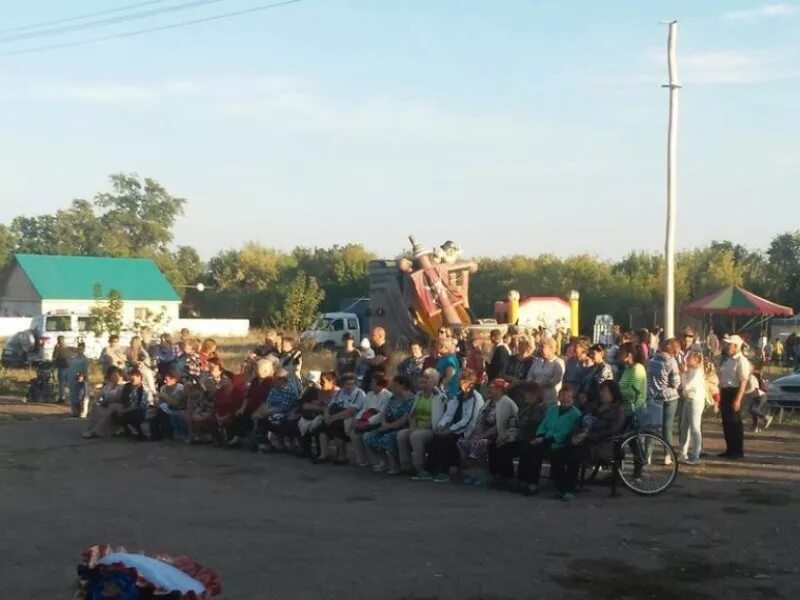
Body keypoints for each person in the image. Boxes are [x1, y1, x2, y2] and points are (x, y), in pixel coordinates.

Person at [519, 383, 582, 499]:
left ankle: (562, 489)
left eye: (568, 396)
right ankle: (531, 483)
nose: (564, 399)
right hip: (546, 439)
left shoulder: (575, 414)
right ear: (558, 397)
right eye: (562, 396)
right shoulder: (552, 410)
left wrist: (545, 439)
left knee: (555, 455)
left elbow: (565, 432)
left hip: (561, 443)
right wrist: (540, 436)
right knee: (530, 449)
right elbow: (543, 425)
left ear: (573, 399)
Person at [424, 368, 484, 483]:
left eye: (465, 380)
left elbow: (468, 421)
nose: (462, 383)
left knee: (447, 439)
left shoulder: (475, 398)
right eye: (461, 380)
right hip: (454, 428)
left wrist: (450, 430)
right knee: (436, 437)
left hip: (468, 432)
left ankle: (444, 471)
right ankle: (430, 470)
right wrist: (441, 426)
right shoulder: (458, 396)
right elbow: (448, 414)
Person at [458, 378, 518, 487]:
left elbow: (500, 425)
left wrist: (482, 436)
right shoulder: (488, 402)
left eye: (492, 388)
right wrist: (473, 434)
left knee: (477, 444)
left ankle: (486, 475)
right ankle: (475, 472)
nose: (489, 389)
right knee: (462, 443)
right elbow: (479, 421)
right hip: (482, 434)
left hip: (498, 436)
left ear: (500, 390)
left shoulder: (506, 403)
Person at [488, 381, 547, 489]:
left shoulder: (540, 408)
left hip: (531, 439)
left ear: (535, 395)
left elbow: (531, 424)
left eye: (527, 393)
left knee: (527, 449)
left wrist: (516, 424)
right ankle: (505, 476)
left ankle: (527, 481)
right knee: (496, 444)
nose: (525, 396)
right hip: (520, 437)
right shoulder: (527, 407)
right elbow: (515, 419)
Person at [402, 368, 448, 479]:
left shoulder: (440, 397)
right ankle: (406, 466)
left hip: (431, 429)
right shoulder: (419, 395)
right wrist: (412, 427)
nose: (423, 380)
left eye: (427, 378)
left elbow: (437, 420)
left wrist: (415, 430)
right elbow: (413, 414)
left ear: (435, 381)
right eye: (423, 377)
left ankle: (421, 469)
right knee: (401, 435)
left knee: (416, 436)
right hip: (417, 426)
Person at [363, 375, 416, 474]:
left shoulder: (411, 399)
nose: (392, 387)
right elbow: (384, 412)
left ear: (403, 385)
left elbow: (404, 419)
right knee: (368, 437)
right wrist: (384, 424)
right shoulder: (393, 397)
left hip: (403, 427)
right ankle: (385, 461)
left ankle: (395, 465)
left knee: (388, 438)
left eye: (395, 385)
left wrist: (389, 426)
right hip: (387, 425)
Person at [572, 380, 626, 469]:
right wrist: (577, 433)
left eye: (604, 391)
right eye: (601, 391)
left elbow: (613, 430)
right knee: (561, 449)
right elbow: (581, 419)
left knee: (572, 454)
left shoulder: (618, 409)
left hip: (602, 443)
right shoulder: (596, 405)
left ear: (613, 393)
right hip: (585, 438)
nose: (601, 393)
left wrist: (588, 435)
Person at [317, 373, 366, 464]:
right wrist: (327, 415)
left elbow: (351, 411)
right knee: (322, 427)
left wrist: (333, 418)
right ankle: (323, 455)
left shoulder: (360, 394)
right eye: (347, 384)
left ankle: (342, 456)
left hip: (350, 418)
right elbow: (329, 406)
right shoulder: (339, 392)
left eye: (352, 384)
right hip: (335, 416)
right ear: (343, 384)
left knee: (337, 426)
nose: (350, 386)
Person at [717, 335, 752, 459]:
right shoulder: (728, 360)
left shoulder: (741, 361)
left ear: (736, 346)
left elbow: (743, 381)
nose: (727, 347)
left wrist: (738, 399)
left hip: (734, 391)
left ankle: (737, 451)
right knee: (727, 422)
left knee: (735, 422)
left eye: (730, 345)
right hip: (725, 391)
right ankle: (730, 449)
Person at [646, 338, 681, 460]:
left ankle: (647, 455)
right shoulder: (671, 361)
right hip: (669, 397)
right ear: (674, 350)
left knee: (651, 427)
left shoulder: (651, 359)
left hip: (654, 396)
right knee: (667, 427)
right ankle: (667, 455)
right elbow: (675, 382)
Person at [350, 373, 392, 466]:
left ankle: (377, 460)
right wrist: (357, 419)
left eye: (373, 382)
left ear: (380, 384)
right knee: (354, 434)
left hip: (378, 422)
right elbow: (364, 409)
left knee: (366, 435)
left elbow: (382, 413)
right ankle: (362, 459)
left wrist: (368, 423)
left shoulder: (387, 396)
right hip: (365, 419)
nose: (371, 384)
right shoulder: (369, 394)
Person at [254, 369, 300, 452]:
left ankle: (277, 443)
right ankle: (264, 442)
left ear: (284, 380)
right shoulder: (273, 390)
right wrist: (259, 412)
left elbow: (284, 408)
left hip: (286, 413)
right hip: (273, 411)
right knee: (259, 416)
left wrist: (267, 412)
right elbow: (267, 403)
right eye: (275, 378)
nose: (275, 381)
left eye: (278, 379)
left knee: (272, 418)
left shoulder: (289, 391)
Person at [296, 371, 337, 459]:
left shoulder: (337, 392)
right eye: (320, 380)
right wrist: (320, 407)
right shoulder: (319, 391)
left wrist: (320, 407)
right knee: (301, 421)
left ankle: (320, 453)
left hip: (332, 417)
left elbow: (330, 409)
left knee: (318, 426)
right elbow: (306, 405)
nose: (321, 383)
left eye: (323, 381)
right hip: (318, 415)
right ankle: (306, 450)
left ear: (332, 381)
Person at [678, 351, 707, 465]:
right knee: (684, 426)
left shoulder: (697, 372)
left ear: (696, 360)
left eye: (690, 357)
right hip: (688, 399)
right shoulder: (690, 370)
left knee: (695, 427)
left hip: (696, 400)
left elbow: (686, 386)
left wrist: (682, 373)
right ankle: (683, 453)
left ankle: (695, 456)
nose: (687, 359)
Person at [82, 367, 126, 439]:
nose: (113, 378)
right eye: (112, 376)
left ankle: (96, 431)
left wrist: (105, 401)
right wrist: (98, 401)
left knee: (110, 410)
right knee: (96, 407)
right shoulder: (108, 386)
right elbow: (99, 395)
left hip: (117, 404)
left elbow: (118, 397)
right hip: (106, 403)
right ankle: (91, 428)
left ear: (121, 376)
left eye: (116, 376)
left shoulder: (123, 386)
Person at [148, 371, 187, 441]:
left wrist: (164, 396)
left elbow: (176, 403)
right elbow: (160, 402)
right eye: (165, 380)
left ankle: (168, 435)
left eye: (167, 380)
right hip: (166, 409)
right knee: (155, 415)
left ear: (174, 380)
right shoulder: (163, 388)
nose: (165, 381)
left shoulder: (180, 388)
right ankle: (156, 436)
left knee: (164, 415)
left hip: (178, 409)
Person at [527, 337, 565, 406]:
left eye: (542, 347)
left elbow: (556, 379)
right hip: (535, 396)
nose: (540, 349)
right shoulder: (537, 361)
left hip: (550, 398)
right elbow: (529, 375)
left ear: (551, 348)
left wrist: (542, 385)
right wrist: (533, 384)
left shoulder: (558, 362)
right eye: (539, 347)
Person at [578, 344, 614, 412]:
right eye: (590, 353)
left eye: (594, 353)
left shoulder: (605, 368)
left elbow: (603, 387)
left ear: (601, 354)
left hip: (595, 403)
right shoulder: (591, 368)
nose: (591, 356)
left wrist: (588, 396)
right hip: (586, 402)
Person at [118, 369, 151, 440]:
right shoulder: (128, 387)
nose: (132, 379)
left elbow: (138, 405)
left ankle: (141, 433)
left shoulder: (144, 389)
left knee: (134, 415)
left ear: (140, 377)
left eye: (134, 378)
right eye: (131, 377)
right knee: (116, 414)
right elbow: (123, 399)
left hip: (142, 410)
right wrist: (122, 409)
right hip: (130, 408)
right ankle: (128, 431)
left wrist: (124, 411)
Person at [617, 342, 647, 420]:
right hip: (625, 407)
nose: (618, 355)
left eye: (621, 353)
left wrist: (617, 392)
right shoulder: (627, 368)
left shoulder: (637, 368)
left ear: (629, 355)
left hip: (635, 409)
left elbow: (633, 393)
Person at [503, 335, 535, 404]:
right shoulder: (512, 358)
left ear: (529, 346)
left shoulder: (533, 361)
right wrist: (512, 379)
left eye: (523, 344)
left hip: (524, 393)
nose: (520, 346)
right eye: (519, 343)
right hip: (509, 390)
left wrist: (517, 382)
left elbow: (531, 379)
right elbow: (504, 374)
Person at [68, 342, 90, 417]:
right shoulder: (73, 359)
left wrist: (83, 376)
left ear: (84, 349)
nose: (79, 350)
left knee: (84, 396)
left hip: (82, 379)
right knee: (73, 395)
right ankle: (74, 411)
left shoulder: (85, 359)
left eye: (81, 349)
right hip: (73, 378)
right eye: (79, 348)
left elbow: (86, 370)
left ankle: (83, 412)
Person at [52, 335, 71, 404]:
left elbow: (54, 357)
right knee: (68, 383)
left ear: (58, 341)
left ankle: (62, 398)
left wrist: (55, 349)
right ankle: (68, 398)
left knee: (61, 383)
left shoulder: (58, 348)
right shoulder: (67, 348)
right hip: (69, 367)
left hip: (62, 367)